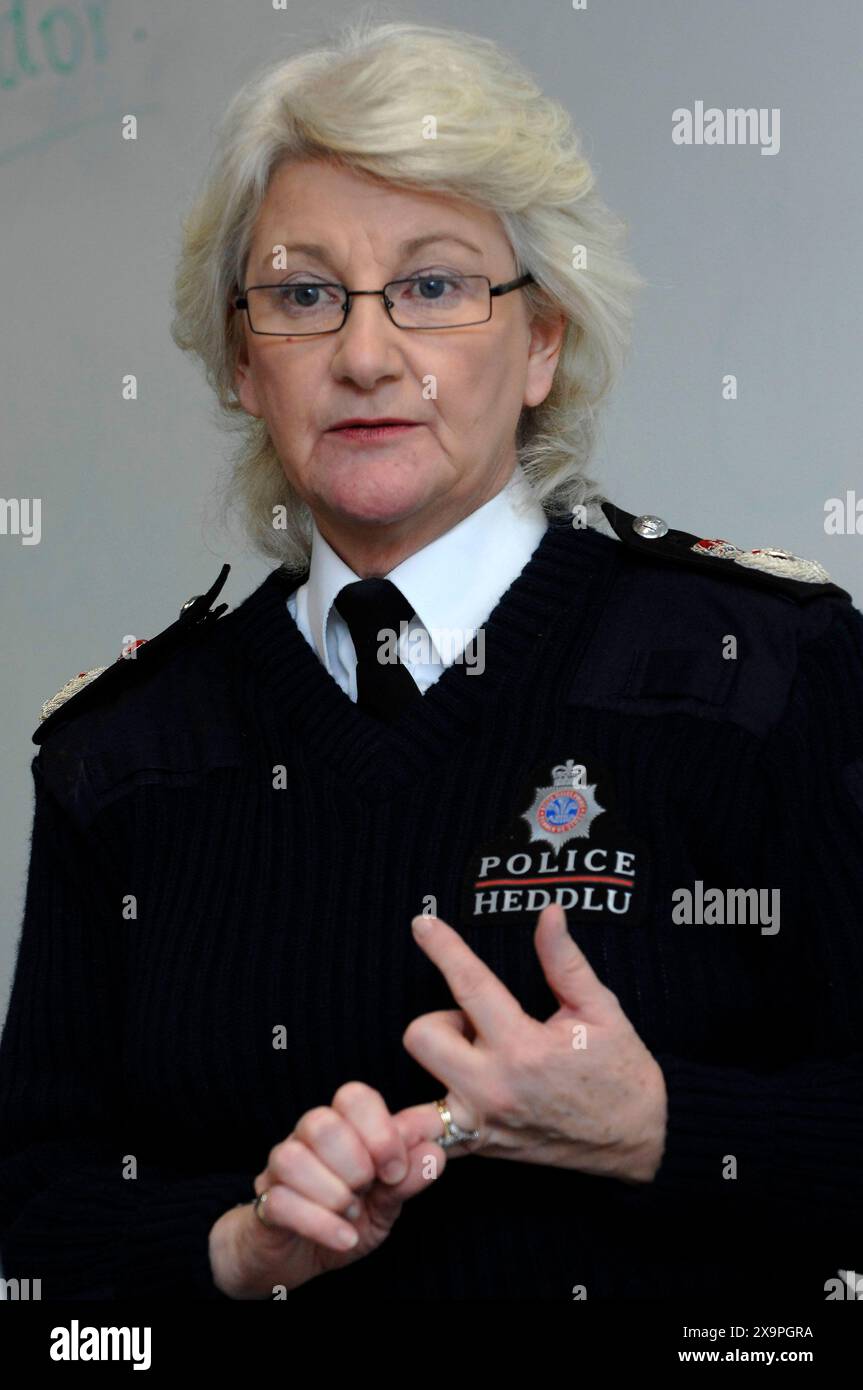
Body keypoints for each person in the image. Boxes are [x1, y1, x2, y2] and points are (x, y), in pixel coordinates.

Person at [1, 18, 862, 1303]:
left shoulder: (760, 669)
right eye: (301, 294)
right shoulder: (120, 755)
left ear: (542, 343)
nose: (362, 354)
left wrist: (659, 1127)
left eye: (435, 285)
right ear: (243, 362)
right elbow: (41, 1223)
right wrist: (236, 1249)